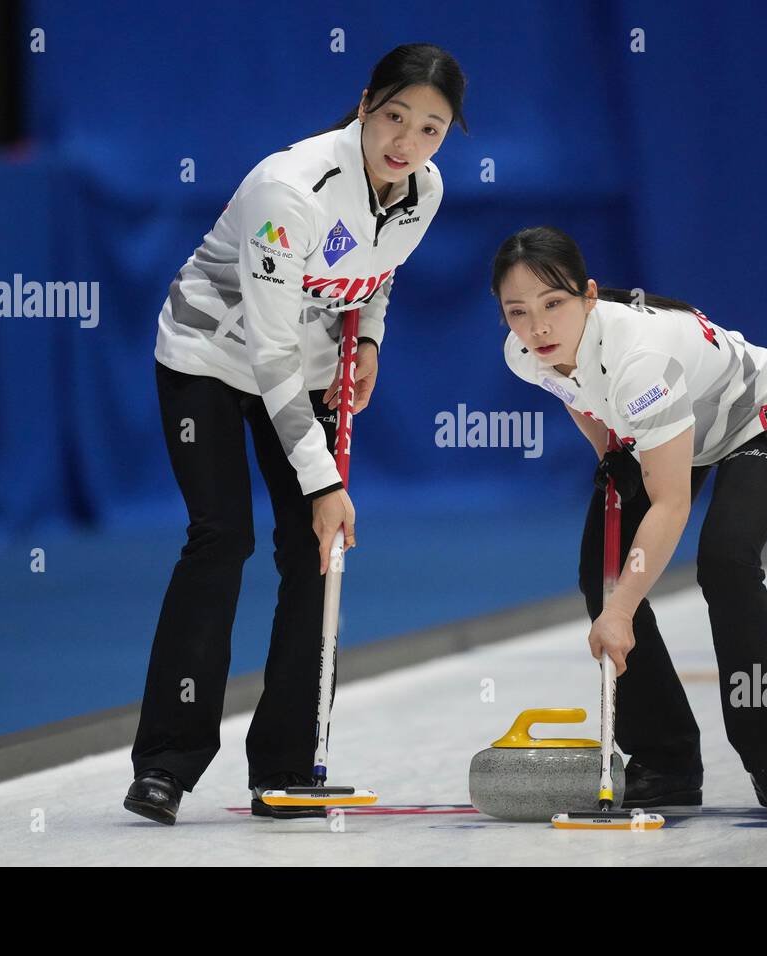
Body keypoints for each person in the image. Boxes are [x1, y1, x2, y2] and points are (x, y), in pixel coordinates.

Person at [124, 44, 467, 825]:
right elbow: (270, 354)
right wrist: (324, 482)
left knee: (317, 553)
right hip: (209, 356)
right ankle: (167, 765)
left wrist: (370, 336)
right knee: (222, 539)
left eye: (431, 129)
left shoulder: (426, 190)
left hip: (306, 364)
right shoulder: (292, 189)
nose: (406, 143)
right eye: (393, 117)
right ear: (364, 104)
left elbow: (377, 271)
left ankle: (284, 767)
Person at [493, 225, 767, 815]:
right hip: (668, 431)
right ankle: (665, 761)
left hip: (757, 417)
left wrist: (619, 614)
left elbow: (670, 504)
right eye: (517, 311)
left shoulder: (639, 359)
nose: (537, 326)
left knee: (726, 562)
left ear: (589, 296)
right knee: (601, 573)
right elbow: (582, 398)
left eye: (553, 304)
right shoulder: (523, 354)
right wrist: (611, 457)